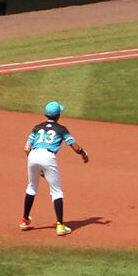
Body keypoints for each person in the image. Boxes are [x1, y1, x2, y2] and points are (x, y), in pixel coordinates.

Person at [21, 100, 91, 235]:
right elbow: (75, 147)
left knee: (31, 187)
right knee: (56, 192)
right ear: (58, 115)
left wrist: (36, 164)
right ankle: (60, 226)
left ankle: (24, 220)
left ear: (46, 115)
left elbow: (26, 149)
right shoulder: (62, 129)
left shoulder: (37, 127)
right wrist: (84, 154)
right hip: (48, 157)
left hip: (33, 155)